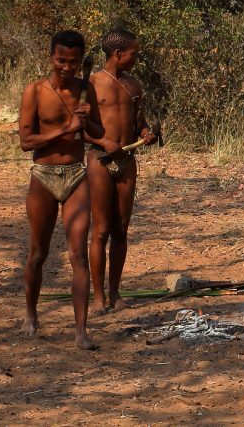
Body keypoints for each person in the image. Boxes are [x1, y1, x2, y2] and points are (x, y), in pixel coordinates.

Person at [18, 30, 118, 349]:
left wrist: (87, 124)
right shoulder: (34, 91)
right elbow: (25, 142)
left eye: (73, 62)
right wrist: (66, 129)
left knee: (78, 255)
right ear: (51, 57)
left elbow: (97, 132)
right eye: (61, 60)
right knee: (38, 254)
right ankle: (31, 315)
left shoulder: (84, 89)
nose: (67, 67)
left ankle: (80, 332)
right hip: (43, 174)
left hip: (76, 174)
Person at [87, 28, 159, 314]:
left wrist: (146, 132)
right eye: (133, 54)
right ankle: (97, 297)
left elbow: (139, 122)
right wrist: (102, 141)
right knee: (101, 230)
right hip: (100, 161)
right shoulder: (91, 85)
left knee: (121, 230)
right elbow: (80, 129)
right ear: (118, 54)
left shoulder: (134, 85)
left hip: (127, 161)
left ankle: (115, 293)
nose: (136, 59)